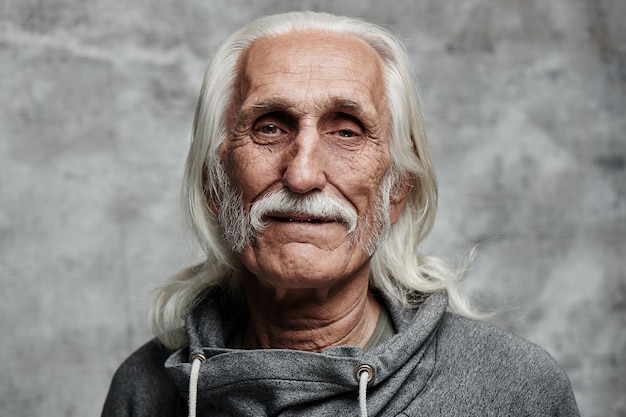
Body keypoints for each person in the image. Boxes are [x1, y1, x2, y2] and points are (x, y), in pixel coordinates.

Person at [102, 11, 579, 417]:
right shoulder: (144, 390)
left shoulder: (513, 390)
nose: (303, 174)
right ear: (215, 183)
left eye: (346, 132)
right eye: (269, 128)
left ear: (397, 190)